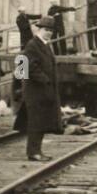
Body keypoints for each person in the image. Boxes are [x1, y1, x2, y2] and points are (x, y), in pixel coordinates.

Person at [19, 17, 61, 161]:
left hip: (43, 90)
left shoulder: (44, 45)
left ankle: (37, 151)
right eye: (46, 30)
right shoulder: (33, 45)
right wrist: (45, 80)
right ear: (39, 29)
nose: (49, 33)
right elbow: (30, 67)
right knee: (35, 122)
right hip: (35, 90)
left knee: (41, 121)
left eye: (51, 30)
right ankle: (33, 152)